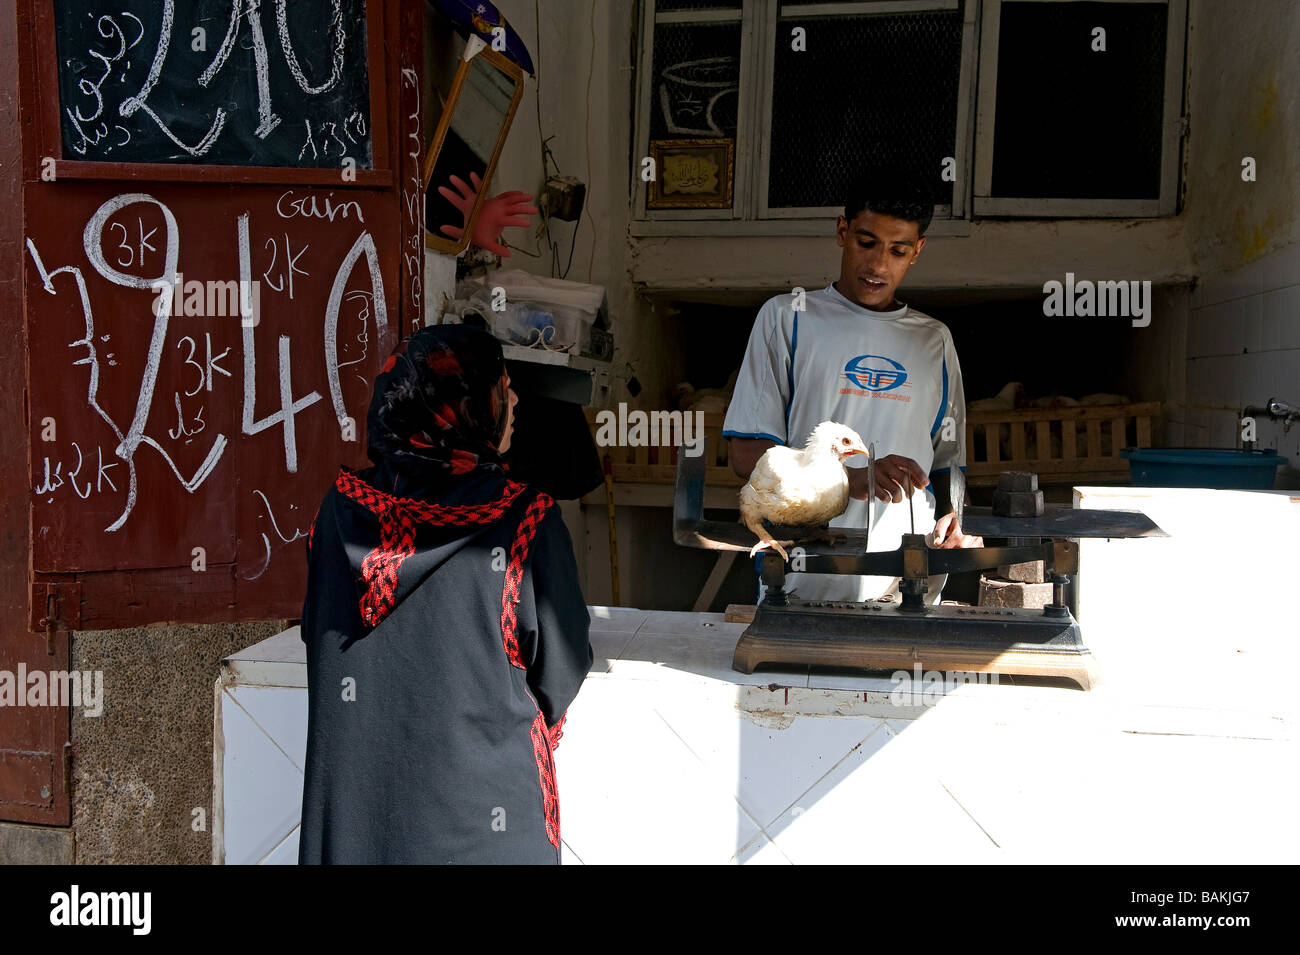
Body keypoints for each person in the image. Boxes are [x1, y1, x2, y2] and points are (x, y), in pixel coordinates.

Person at [298, 324, 592, 864]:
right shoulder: (526, 519)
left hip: (353, 828)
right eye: (502, 385)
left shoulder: (337, 511)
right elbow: (559, 673)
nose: (515, 398)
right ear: (469, 407)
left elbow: (319, 636)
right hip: (481, 828)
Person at [724, 170, 982, 604]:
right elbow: (746, 456)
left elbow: (947, 466)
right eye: (867, 243)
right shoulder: (788, 318)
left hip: (910, 579)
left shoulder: (934, 340)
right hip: (804, 573)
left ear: (917, 251)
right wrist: (851, 480)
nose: (879, 265)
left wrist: (956, 517)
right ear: (842, 231)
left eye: (898, 250)